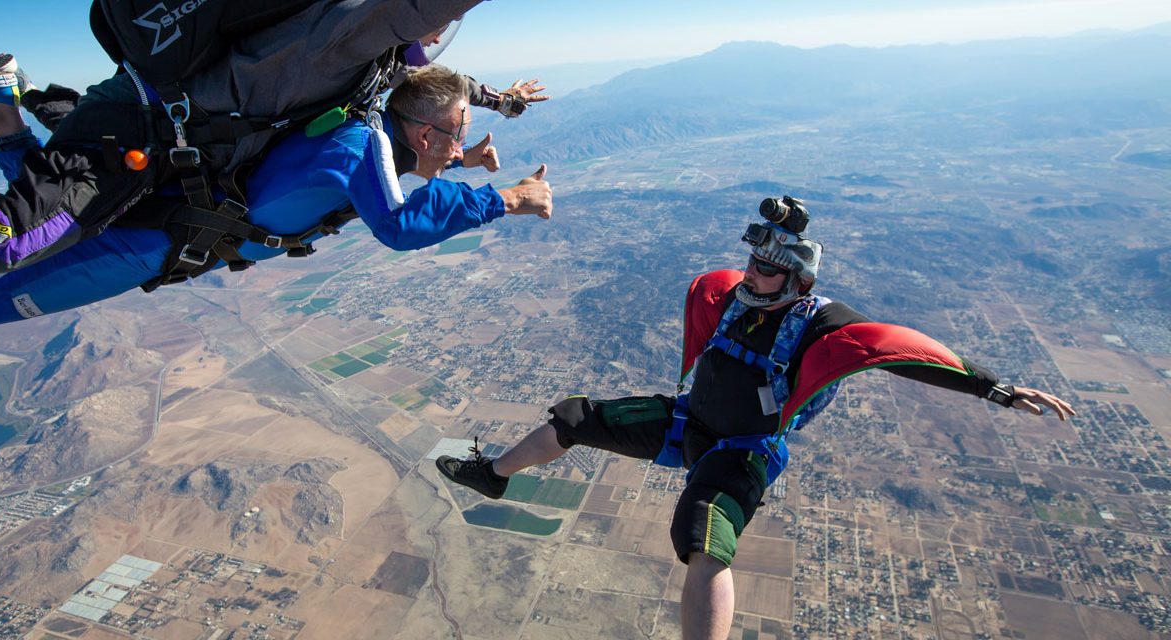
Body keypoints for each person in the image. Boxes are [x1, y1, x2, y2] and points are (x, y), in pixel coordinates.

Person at [436, 196, 1076, 640]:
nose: (752, 272)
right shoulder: (736, 299)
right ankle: (493, 474)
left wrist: (994, 389)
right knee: (576, 416)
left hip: (743, 447)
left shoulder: (821, 321)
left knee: (702, 535)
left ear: (795, 274)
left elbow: (898, 351)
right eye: (752, 260)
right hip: (690, 422)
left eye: (769, 266)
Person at [0, 0, 527, 274]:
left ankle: (4, 102)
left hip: (154, 122)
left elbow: (440, 81)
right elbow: (396, 219)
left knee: (99, 185)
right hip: (141, 129)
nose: (442, 30)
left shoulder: (368, 60)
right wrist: (503, 196)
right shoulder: (350, 37)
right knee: (10, 238)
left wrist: (497, 103)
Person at [0, 63, 553, 329]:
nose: (458, 146)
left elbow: (352, 181)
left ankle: (1, 118)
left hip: (164, 207)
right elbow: (401, 226)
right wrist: (505, 200)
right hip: (149, 241)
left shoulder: (356, 124)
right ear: (418, 129)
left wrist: (462, 155)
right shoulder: (365, 146)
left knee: (16, 239)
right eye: (456, 134)